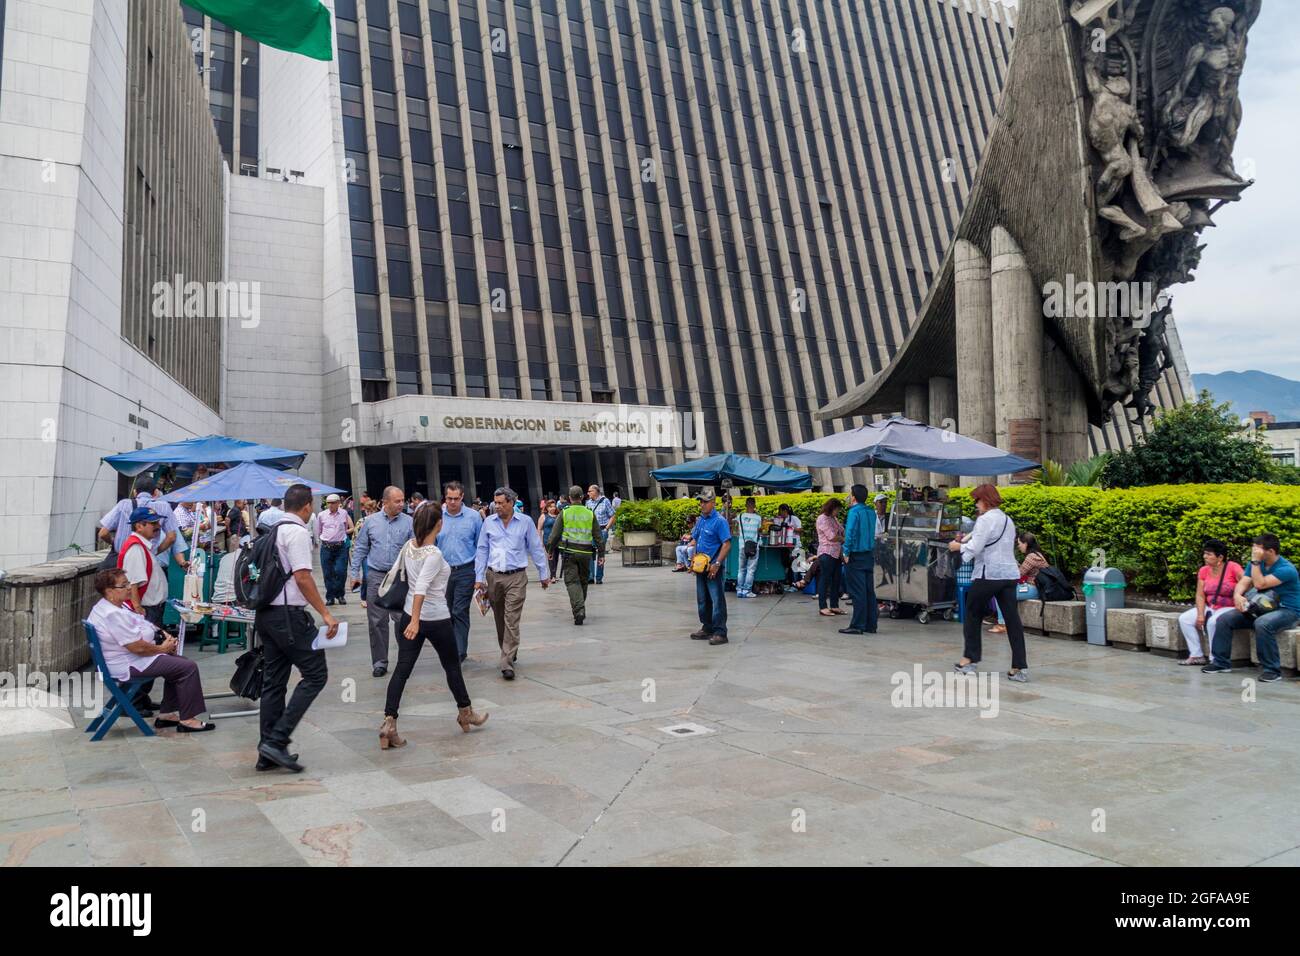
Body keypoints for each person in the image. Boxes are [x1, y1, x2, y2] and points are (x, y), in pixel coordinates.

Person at [380, 503, 488, 749]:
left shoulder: (410, 547)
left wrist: (412, 619)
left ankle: (389, 722)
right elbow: (421, 589)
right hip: (434, 619)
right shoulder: (433, 553)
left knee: (402, 671)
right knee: (451, 667)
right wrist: (417, 621)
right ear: (438, 524)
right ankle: (465, 711)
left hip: (408, 616)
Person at [255, 483, 340, 772]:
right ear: (306, 507)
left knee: (274, 682)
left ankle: (266, 751)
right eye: (311, 506)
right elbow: (303, 577)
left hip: (266, 615)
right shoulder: (298, 532)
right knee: (316, 674)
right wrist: (325, 614)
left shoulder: (272, 530)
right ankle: (277, 740)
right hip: (288, 617)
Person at [87, 568, 214, 732]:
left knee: (178, 664)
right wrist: (162, 648)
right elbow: (136, 647)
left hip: (126, 659)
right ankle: (188, 720)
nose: (129, 588)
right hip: (127, 663)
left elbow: (141, 622)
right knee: (187, 667)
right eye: (123, 585)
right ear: (109, 591)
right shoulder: (112, 614)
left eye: (128, 583)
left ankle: (167, 714)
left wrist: (162, 634)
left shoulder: (111, 606)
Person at [948, 484, 1028, 682]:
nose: (976, 504)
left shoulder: (984, 520)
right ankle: (1020, 667)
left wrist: (958, 546)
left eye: (977, 500)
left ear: (985, 500)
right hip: (1009, 574)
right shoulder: (1008, 520)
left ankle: (969, 660)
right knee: (1012, 620)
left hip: (988, 574)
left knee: (973, 614)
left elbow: (974, 548)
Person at [474, 486, 551, 680]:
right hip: (494, 577)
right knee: (500, 618)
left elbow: (535, 547)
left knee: (511, 618)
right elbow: (482, 550)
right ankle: (509, 649)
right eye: (495, 503)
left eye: (500, 503)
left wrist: (544, 573)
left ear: (511, 502)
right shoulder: (488, 523)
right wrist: (478, 577)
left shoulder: (525, 522)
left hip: (516, 577)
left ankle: (506, 662)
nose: (497, 506)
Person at [1203, 533, 1300, 682]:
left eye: (1257, 549)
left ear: (1271, 551)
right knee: (1224, 619)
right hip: (1260, 607)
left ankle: (1272, 670)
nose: (1254, 552)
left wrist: (1255, 562)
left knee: (1262, 623)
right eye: (1253, 548)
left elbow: (1260, 584)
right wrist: (1237, 596)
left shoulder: (1286, 569)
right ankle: (1221, 663)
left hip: (1287, 610)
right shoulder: (1255, 564)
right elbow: (1243, 583)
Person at [348, 486, 414, 678]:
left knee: (401, 619)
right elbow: (360, 548)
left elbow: (414, 550)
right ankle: (380, 662)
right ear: (384, 502)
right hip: (376, 575)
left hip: (400, 576)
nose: (402, 504)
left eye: (403, 500)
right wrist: (355, 574)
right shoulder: (370, 522)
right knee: (377, 621)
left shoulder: (409, 522)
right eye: (397, 501)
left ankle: (405, 660)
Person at [435, 481, 482, 663]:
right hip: (443, 572)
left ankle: (459, 651)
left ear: (462, 497)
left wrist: (480, 575)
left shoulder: (473, 517)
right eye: (449, 498)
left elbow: (481, 546)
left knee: (459, 610)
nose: (452, 502)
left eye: (456, 498)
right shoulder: (438, 516)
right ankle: (451, 644)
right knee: (446, 611)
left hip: (465, 570)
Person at [1177, 539, 1242, 666]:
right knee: (1184, 619)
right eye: (1204, 553)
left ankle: (1215, 658)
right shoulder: (1204, 570)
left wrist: (1239, 596)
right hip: (1211, 606)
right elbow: (1200, 595)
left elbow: (1247, 584)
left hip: (1230, 607)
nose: (1205, 557)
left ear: (1220, 557)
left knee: (1213, 622)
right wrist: (1200, 614)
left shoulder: (1233, 567)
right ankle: (1196, 655)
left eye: (1209, 554)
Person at [548, 485, 604, 625]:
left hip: (569, 553)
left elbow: (554, 535)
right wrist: (601, 554)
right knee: (583, 581)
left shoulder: (564, 512)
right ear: (582, 497)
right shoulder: (589, 512)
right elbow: (598, 536)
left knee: (572, 582)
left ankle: (579, 610)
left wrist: (549, 550)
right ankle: (579, 606)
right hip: (586, 553)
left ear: (569, 498)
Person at [687, 490, 731, 645]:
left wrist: (717, 564)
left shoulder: (720, 521)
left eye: (705, 502)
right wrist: (692, 561)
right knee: (702, 599)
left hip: (713, 567)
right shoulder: (701, 520)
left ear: (713, 503)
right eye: (701, 502)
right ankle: (707, 627)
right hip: (700, 566)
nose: (702, 504)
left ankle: (720, 632)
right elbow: (695, 540)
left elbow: (726, 544)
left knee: (717, 599)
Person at [990, 531, 1050, 634]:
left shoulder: (1031, 557)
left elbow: (1018, 575)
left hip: (1034, 589)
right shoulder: (1037, 554)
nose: (1019, 546)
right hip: (1035, 587)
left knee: (1000, 593)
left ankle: (1003, 624)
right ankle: (1008, 622)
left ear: (1025, 543)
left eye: (1019, 543)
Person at [840, 486, 878, 635]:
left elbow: (850, 533)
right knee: (869, 591)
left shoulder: (854, 512)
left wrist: (846, 551)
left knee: (858, 592)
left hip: (856, 554)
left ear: (854, 496)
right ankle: (871, 624)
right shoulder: (870, 511)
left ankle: (857, 625)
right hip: (869, 554)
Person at [318, 493, 355, 607]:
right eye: (329, 502)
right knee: (328, 573)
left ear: (339, 503)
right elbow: (319, 530)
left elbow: (347, 528)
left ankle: (340, 595)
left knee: (341, 571)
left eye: (333, 502)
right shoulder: (321, 515)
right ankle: (330, 597)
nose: (331, 505)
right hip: (326, 547)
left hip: (340, 547)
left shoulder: (344, 513)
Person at [816, 499, 847, 617]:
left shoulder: (833, 519)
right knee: (825, 579)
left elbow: (842, 530)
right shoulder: (822, 519)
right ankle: (823, 606)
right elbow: (832, 536)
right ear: (831, 508)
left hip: (836, 553)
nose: (837, 512)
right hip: (826, 553)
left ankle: (834, 605)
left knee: (836, 580)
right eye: (837, 510)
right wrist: (843, 539)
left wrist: (842, 535)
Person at [585, 484, 615, 585]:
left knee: (600, 554)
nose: (588, 493)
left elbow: (612, 516)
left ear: (596, 492)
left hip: (602, 530)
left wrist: (606, 529)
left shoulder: (605, 501)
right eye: (588, 491)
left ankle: (599, 577)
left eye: (590, 491)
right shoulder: (588, 503)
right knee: (589, 553)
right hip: (590, 531)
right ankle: (590, 577)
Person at [735, 497, 763, 599]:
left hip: (742, 545)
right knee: (750, 570)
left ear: (746, 505)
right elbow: (760, 530)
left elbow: (735, 526)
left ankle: (739, 590)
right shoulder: (758, 518)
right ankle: (747, 591)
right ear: (754, 505)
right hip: (753, 546)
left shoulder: (740, 516)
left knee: (741, 569)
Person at [771, 504, 801, 588]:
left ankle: (795, 583)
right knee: (785, 562)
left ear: (785, 511)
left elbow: (800, 529)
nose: (779, 513)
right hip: (784, 544)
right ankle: (786, 580)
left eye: (780, 511)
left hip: (795, 544)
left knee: (795, 564)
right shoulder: (780, 519)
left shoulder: (794, 519)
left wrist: (791, 528)